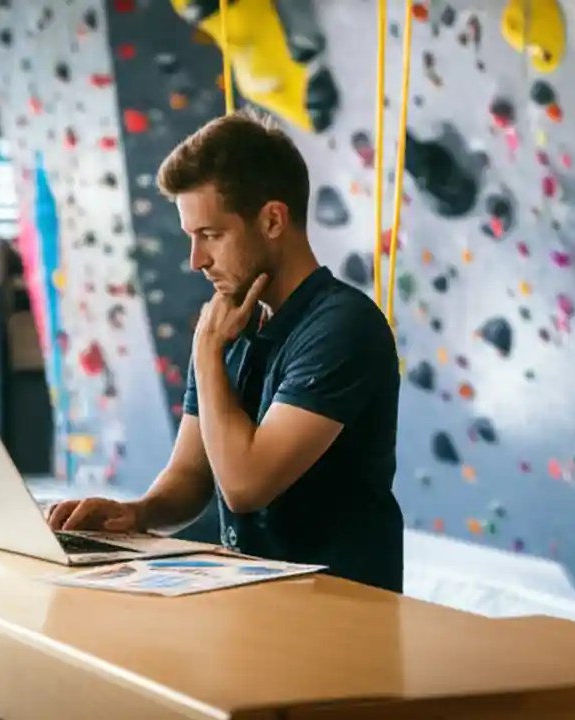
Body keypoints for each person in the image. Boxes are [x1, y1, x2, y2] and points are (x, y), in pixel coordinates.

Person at [47, 110, 404, 592]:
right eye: (192, 238)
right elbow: (191, 476)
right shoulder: (232, 322)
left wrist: (207, 351)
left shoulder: (342, 326)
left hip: (342, 613)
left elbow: (244, 487)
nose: (197, 261)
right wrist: (136, 513)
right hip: (251, 598)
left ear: (273, 219)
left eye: (211, 235)